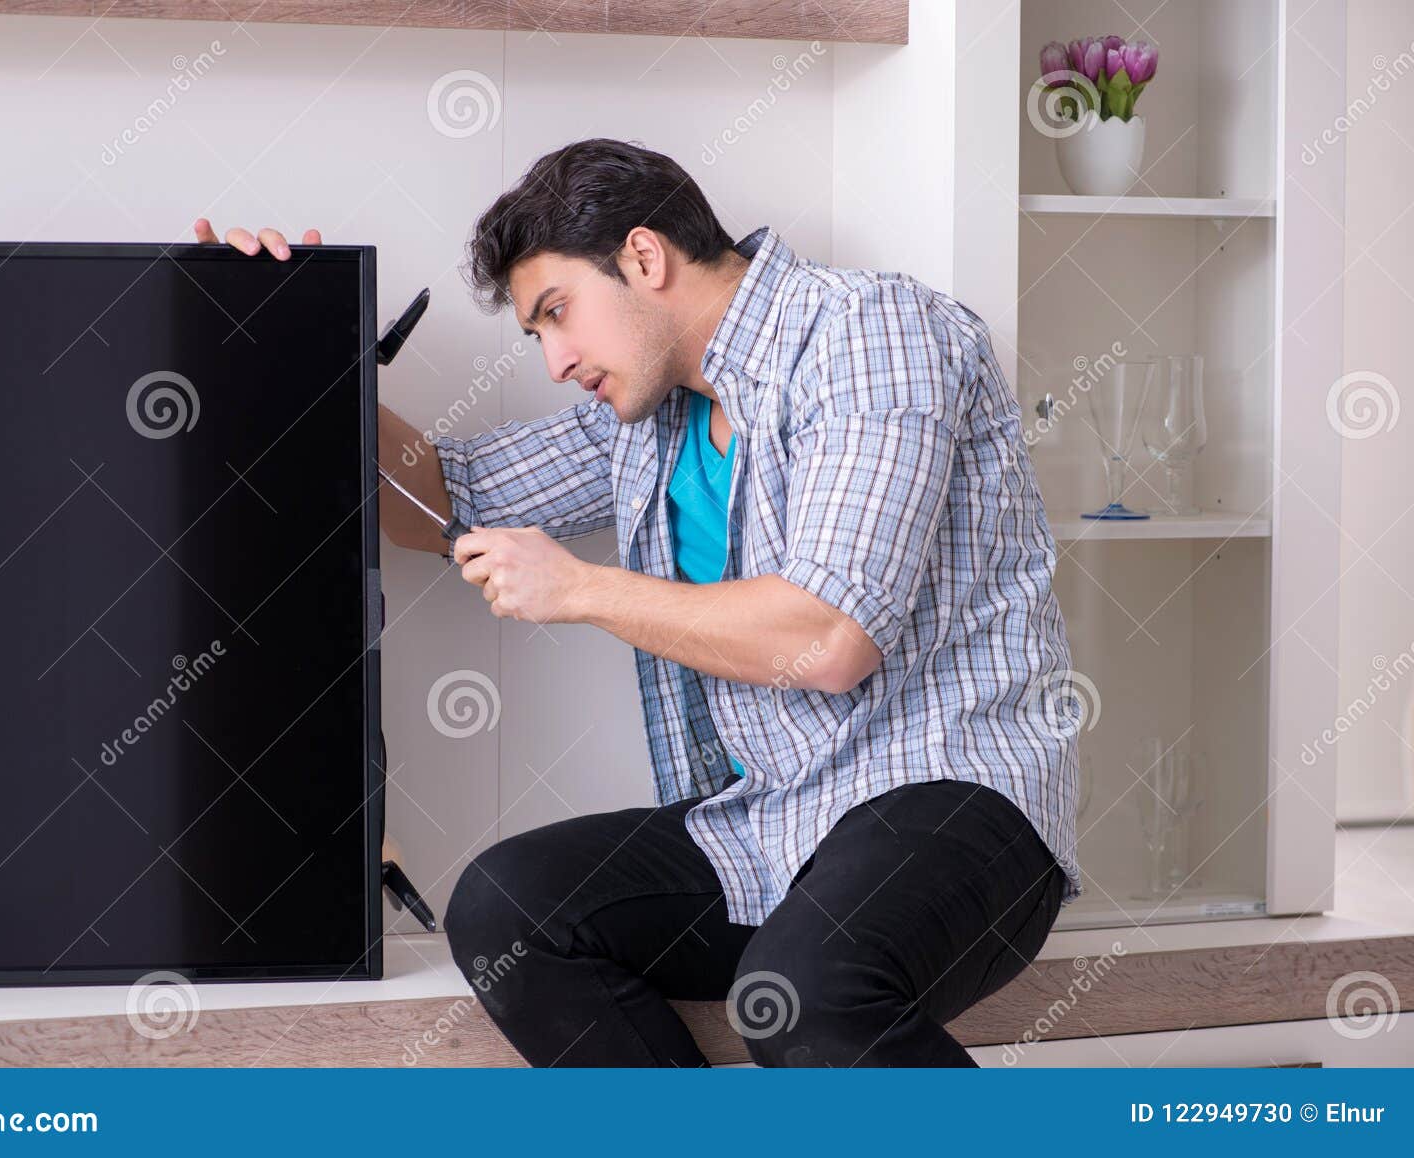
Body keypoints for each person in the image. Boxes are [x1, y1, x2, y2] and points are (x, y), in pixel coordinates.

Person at [193, 136, 1081, 1067]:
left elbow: (828, 636)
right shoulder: (648, 421)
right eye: (538, 335)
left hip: (952, 800)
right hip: (774, 821)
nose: (555, 359)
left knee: (807, 990)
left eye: (557, 313)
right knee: (508, 909)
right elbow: (444, 499)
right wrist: (289, 332)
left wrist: (580, 589)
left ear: (644, 257)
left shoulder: (873, 332)